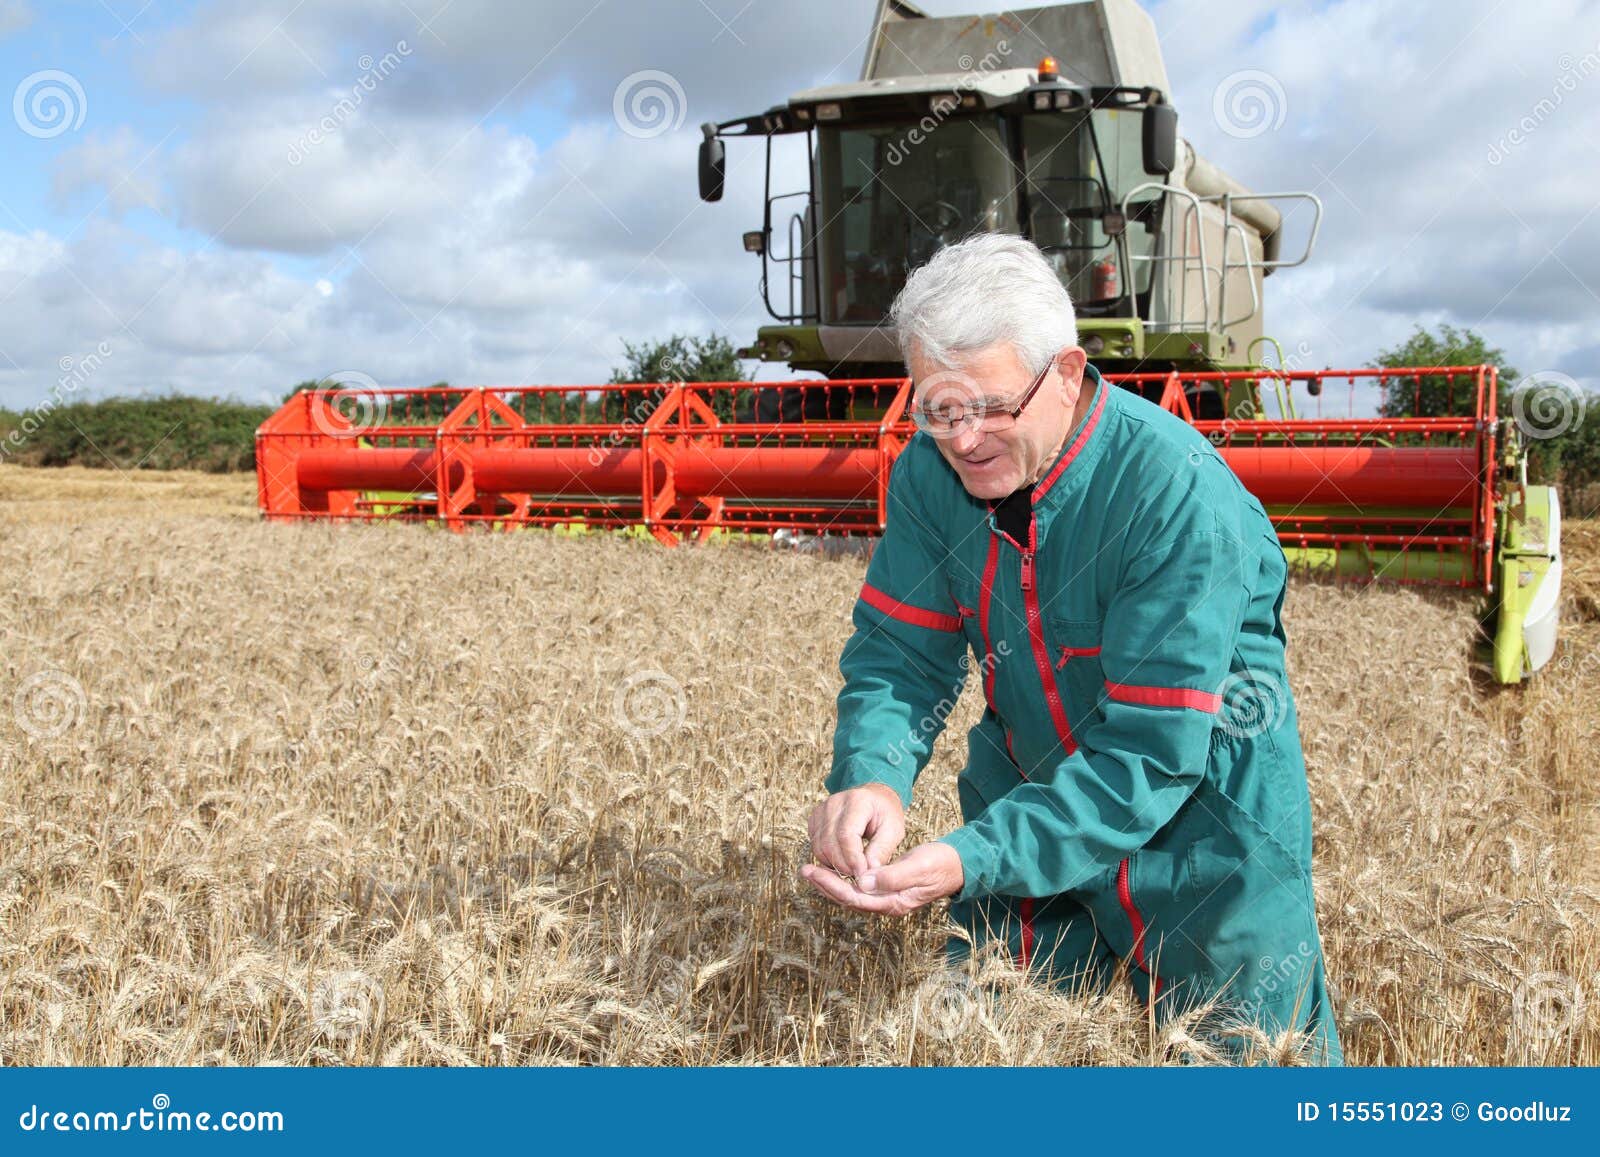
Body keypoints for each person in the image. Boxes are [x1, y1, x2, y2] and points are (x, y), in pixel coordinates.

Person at [798, 232, 1343, 1065]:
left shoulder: (1176, 496)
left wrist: (971, 855)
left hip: (1207, 834)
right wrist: (873, 773)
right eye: (938, 410)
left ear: (1064, 371)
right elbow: (901, 654)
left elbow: (1150, 755)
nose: (963, 440)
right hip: (1026, 791)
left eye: (988, 408)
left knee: (1250, 1073)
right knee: (990, 1054)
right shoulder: (926, 476)